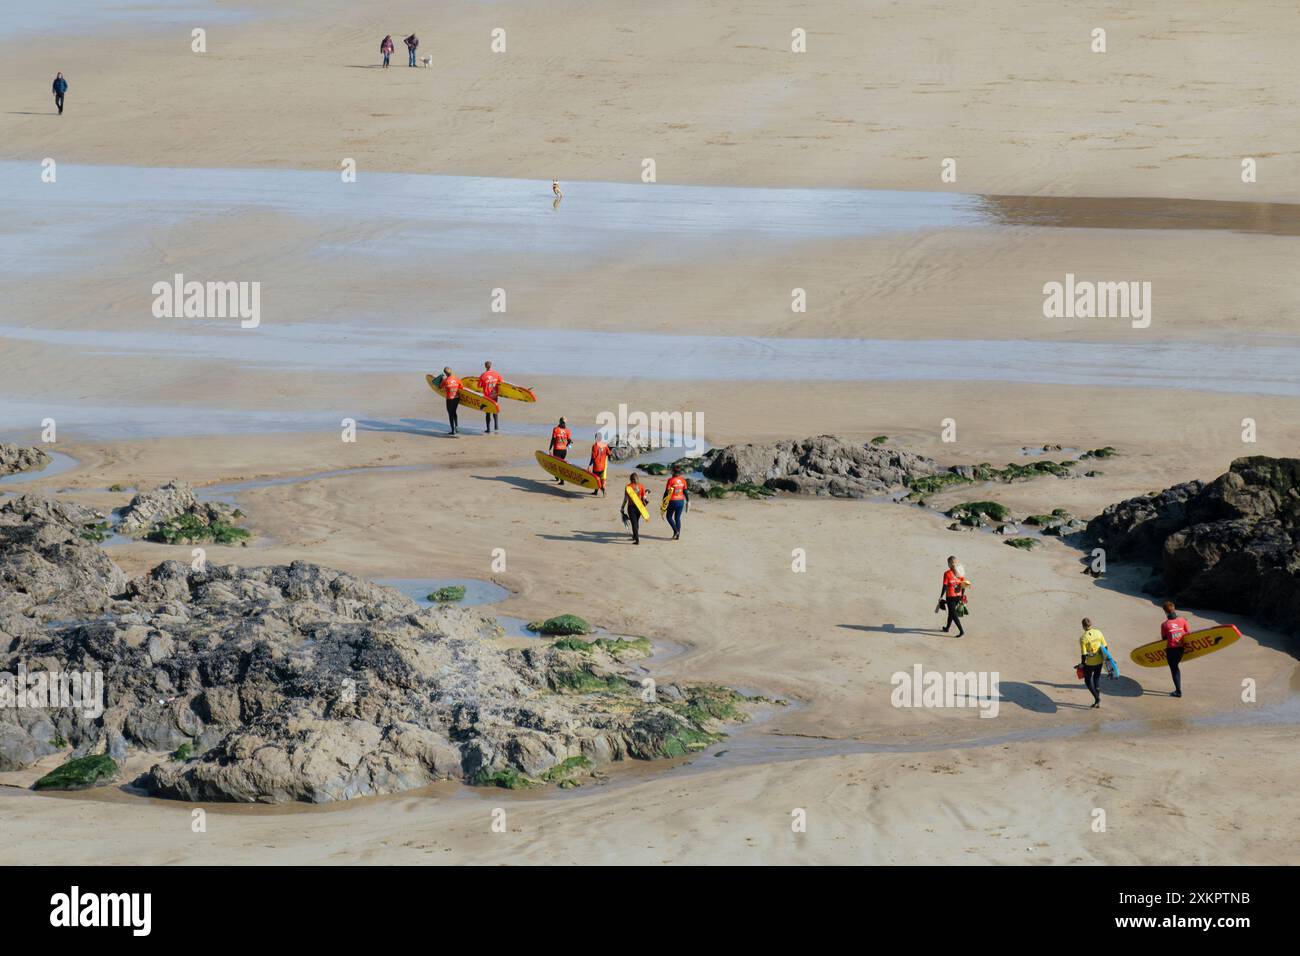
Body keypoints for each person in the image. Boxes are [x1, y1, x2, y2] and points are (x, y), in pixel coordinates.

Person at [1159, 601, 1191, 698]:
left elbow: (1164, 639)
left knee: (1174, 669)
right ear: (1174, 609)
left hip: (1171, 650)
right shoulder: (1183, 620)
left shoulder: (1164, 625)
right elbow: (1188, 634)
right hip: (1181, 649)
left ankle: (1178, 691)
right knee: (1176, 667)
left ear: (1165, 612)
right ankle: (1178, 691)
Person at [1079, 618, 1108, 709]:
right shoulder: (1098, 632)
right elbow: (1105, 647)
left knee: (1087, 681)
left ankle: (1097, 698)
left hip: (1090, 663)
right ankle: (1097, 702)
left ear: (1083, 626)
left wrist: (1082, 664)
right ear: (1091, 624)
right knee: (1096, 679)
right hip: (1099, 661)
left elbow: (1084, 654)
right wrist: (1104, 659)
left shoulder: (1083, 638)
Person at [937, 556, 969, 637]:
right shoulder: (960, 572)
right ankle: (947, 628)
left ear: (949, 564)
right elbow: (964, 585)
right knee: (951, 613)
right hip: (958, 596)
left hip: (950, 596)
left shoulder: (947, 573)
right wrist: (962, 595)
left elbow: (944, 586)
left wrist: (941, 596)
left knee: (953, 614)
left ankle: (961, 631)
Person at [620, 471, 650, 545]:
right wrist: (647, 493)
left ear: (630, 479)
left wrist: (622, 507)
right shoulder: (641, 486)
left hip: (631, 507)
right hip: (639, 507)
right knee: (636, 522)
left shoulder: (628, 487)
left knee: (634, 523)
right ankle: (634, 536)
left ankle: (637, 540)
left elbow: (626, 499)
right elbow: (644, 497)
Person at [662, 467, 689, 540]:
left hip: (673, 501)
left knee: (669, 517)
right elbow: (685, 492)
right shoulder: (683, 480)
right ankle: (677, 536)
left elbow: (667, 492)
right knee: (677, 518)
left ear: (673, 472)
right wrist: (688, 501)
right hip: (681, 501)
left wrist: (663, 500)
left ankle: (676, 531)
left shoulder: (670, 480)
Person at [478, 360, 502, 433]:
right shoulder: (496, 374)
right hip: (494, 395)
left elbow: (478, 386)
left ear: (485, 366)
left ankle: (488, 429)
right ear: (491, 366)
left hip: (487, 396)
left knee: (487, 412)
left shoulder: (483, 375)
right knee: (495, 409)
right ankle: (496, 426)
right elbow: (501, 382)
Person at [548, 417, 571, 484]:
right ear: (560, 422)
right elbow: (569, 440)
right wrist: (567, 445)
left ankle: (559, 478)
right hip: (562, 450)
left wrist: (550, 448)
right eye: (563, 423)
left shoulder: (556, 429)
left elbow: (553, 439)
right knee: (560, 465)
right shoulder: (566, 430)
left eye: (565, 423)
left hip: (559, 450)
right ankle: (560, 479)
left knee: (558, 465)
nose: (564, 424)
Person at [440, 367, 461, 435]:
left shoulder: (445, 380)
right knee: (454, 412)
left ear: (445, 373)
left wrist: (442, 380)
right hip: (457, 398)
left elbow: (440, 387)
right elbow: (461, 387)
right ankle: (457, 426)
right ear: (451, 371)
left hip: (450, 399)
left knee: (450, 414)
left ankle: (452, 431)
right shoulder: (457, 379)